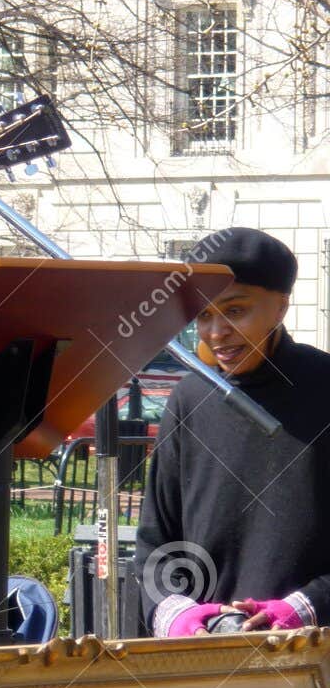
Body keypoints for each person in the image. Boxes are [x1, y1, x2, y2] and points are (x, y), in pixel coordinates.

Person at [135, 227, 330, 637]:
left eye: (235, 311)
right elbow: (156, 541)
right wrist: (177, 614)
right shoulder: (190, 398)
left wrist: (305, 607)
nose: (216, 333)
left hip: (314, 654)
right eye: (203, 314)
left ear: (280, 307)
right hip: (209, 657)